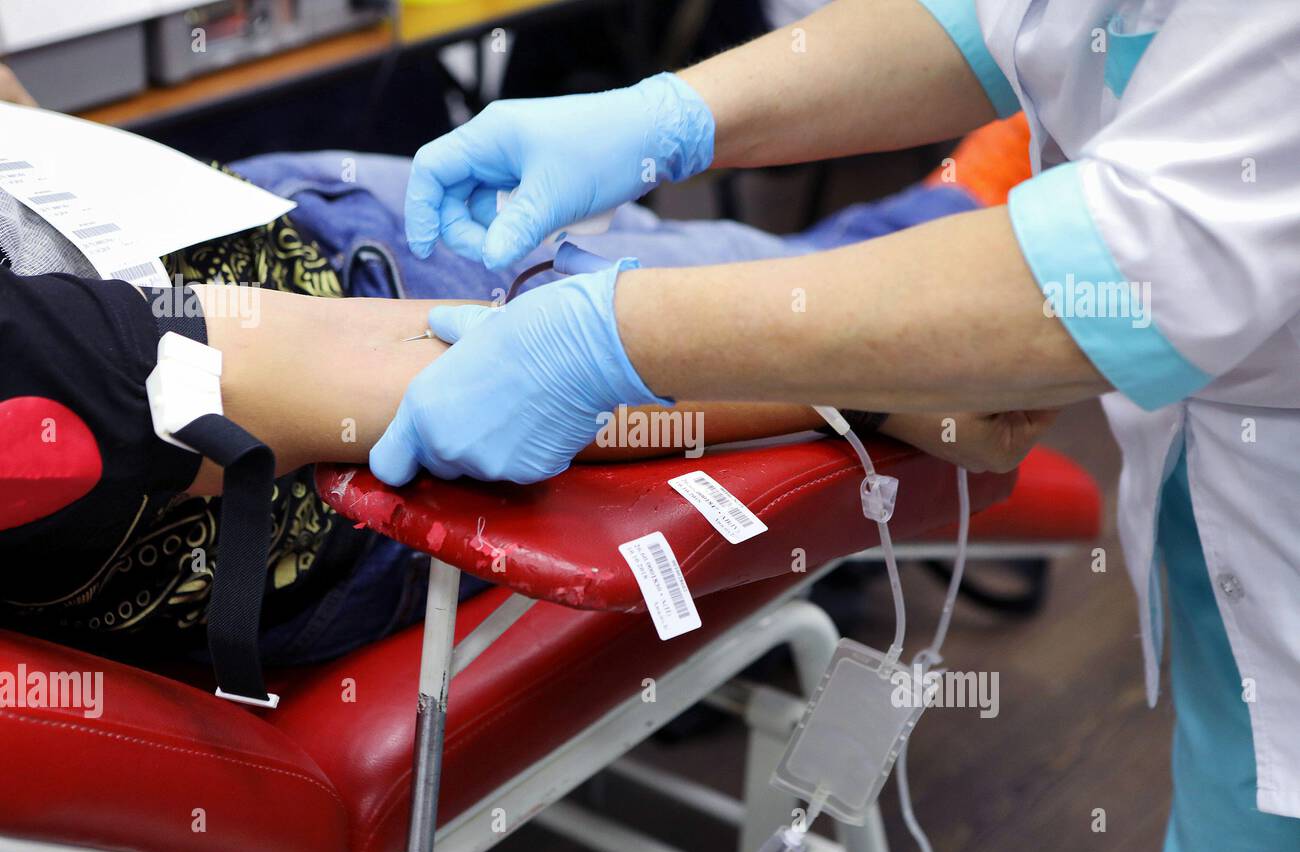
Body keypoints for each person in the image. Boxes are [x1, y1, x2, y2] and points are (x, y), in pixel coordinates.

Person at [383, 0, 1300, 852]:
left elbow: (1125, 271)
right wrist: (664, 116)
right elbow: (1003, 23)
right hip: (1216, 465)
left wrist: (611, 339)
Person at [0, 68, 1047, 671]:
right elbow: (464, 380)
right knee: (814, 288)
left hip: (261, 221)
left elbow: (30, 137)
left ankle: (963, 196)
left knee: (747, 261)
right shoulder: (37, 385)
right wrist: (875, 381)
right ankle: (976, 202)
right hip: (380, 313)